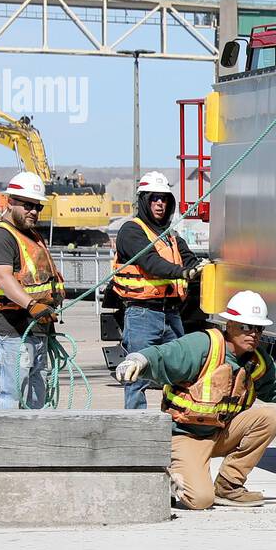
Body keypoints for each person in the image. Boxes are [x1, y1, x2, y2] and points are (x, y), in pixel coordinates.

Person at [115, 290, 276, 508]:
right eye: (246, 327)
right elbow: (164, 356)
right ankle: (167, 475)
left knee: (268, 418)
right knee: (200, 500)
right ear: (229, 325)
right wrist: (137, 361)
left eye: (259, 328)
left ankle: (228, 487)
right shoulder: (203, 345)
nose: (253, 334)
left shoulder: (258, 360)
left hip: (220, 432)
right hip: (186, 436)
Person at [112, 171, 206, 409]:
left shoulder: (170, 236)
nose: (159, 204)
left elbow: (189, 259)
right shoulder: (131, 231)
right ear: (143, 200)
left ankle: (179, 421)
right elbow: (151, 263)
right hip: (143, 314)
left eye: (164, 199)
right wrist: (182, 272)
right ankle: (137, 428)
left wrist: (198, 268)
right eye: (154, 198)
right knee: (137, 376)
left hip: (171, 314)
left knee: (182, 370)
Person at [0, 171, 63, 409]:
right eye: (27, 205)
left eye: (38, 207)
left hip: (36, 330)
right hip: (10, 333)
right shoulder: (0, 237)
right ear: (10, 201)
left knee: (36, 402)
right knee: (9, 401)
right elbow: (4, 279)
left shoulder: (31, 236)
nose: (33, 212)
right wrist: (32, 305)